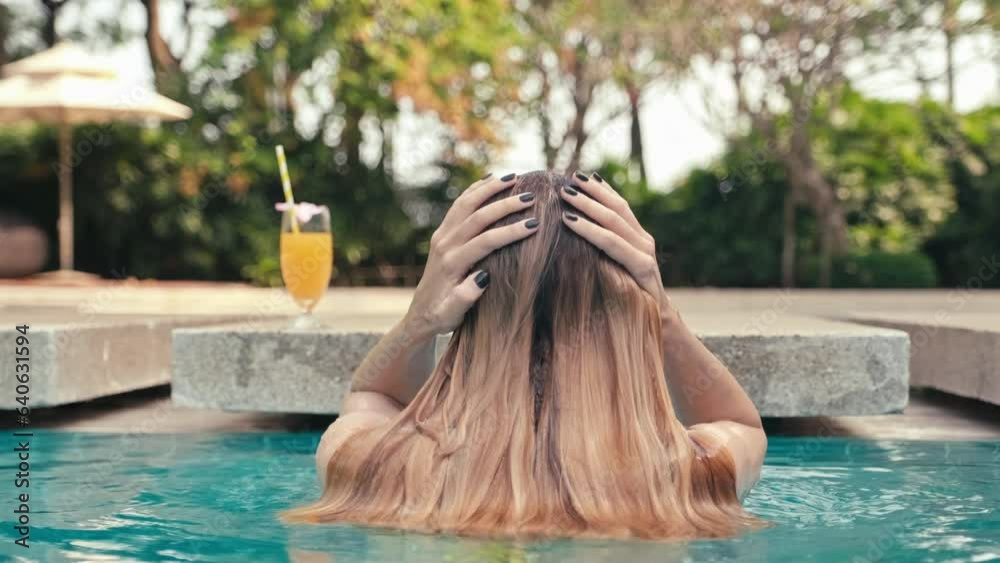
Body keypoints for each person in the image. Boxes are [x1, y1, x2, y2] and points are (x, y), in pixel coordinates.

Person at [283, 170, 768, 539]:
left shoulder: (379, 474)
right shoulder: (686, 482)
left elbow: (373, 396)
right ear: (626, 320)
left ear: (469, 311)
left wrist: (420, 321)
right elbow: (741, 424)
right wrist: (660, 312)